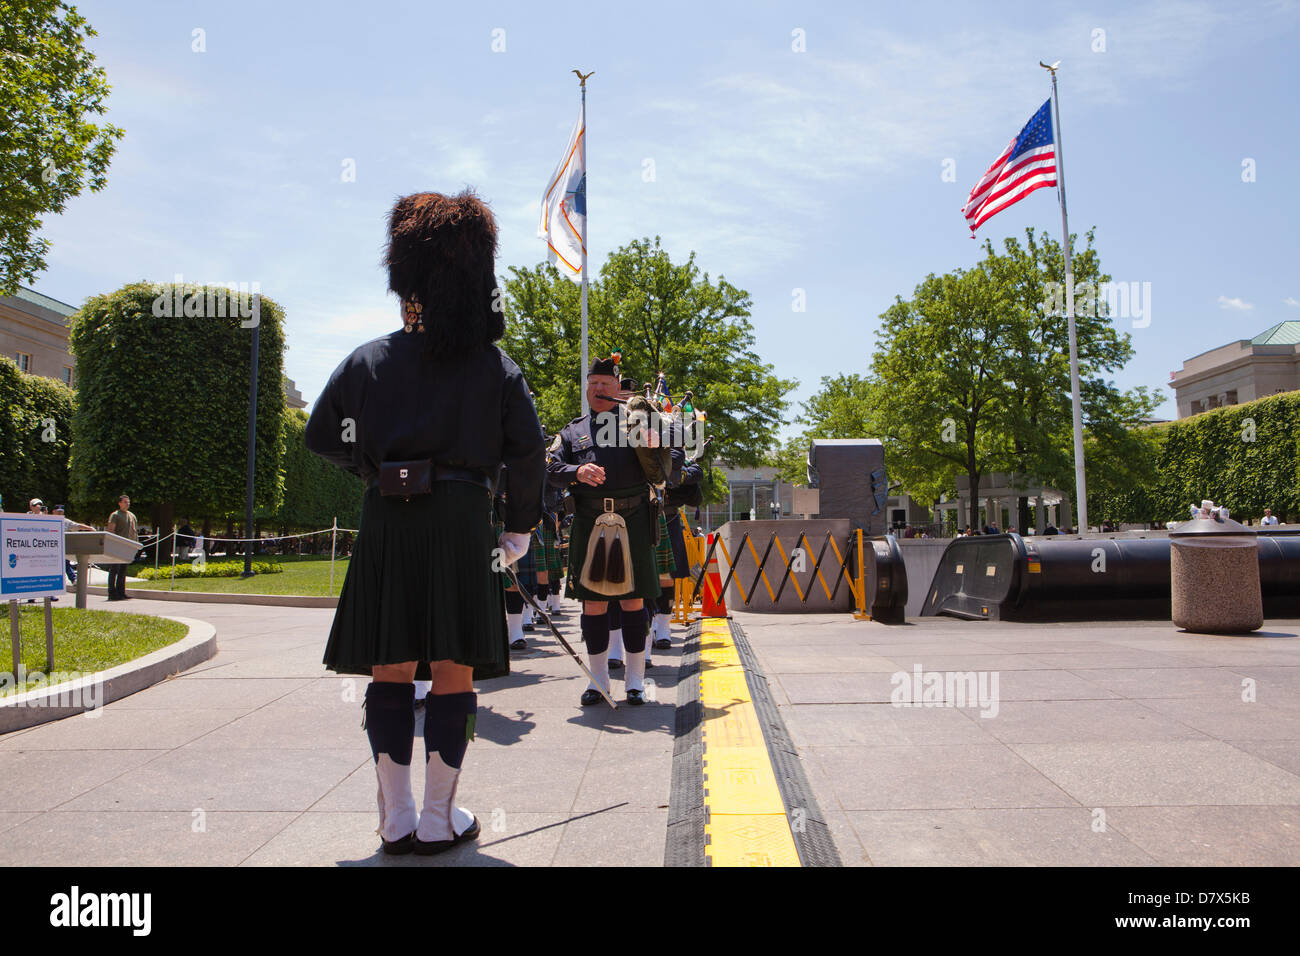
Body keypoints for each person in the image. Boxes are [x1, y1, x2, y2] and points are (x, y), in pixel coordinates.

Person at [305, 190, 546, 855]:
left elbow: (322, 434)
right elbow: (527, 449)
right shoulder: (495, 367)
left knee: (390, 671)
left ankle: (396, 817)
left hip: (389, 519)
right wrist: (519, 527)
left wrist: (377, 471)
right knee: (452, 672)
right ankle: (440, 818)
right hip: (464, 519)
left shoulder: (366, 360)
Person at [547, 355, 662, 706]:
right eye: (593, 384)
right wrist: (576, 473)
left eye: (606, 385)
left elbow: (672, 455)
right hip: (589, 522)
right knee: (593, 606)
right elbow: (550, 466)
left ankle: (635, 681)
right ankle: (598, 680)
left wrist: (658, 436)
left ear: (618, 389)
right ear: (586, 388)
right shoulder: (573, 431)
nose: (598, 390)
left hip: (635, 520)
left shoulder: (637, 425)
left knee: (633, 602)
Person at [106, 495, 138, 601]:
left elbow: (134, 531)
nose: (127, 504)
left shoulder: (132, 515)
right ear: (119, 503)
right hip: (117, 546)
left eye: (128, 502)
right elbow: (111, 530)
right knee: (114, 569)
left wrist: (135, 545)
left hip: (128, 547)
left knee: (123, 570)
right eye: (125, 502)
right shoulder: (115, 515)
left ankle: (121, 592)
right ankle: (112, 593)